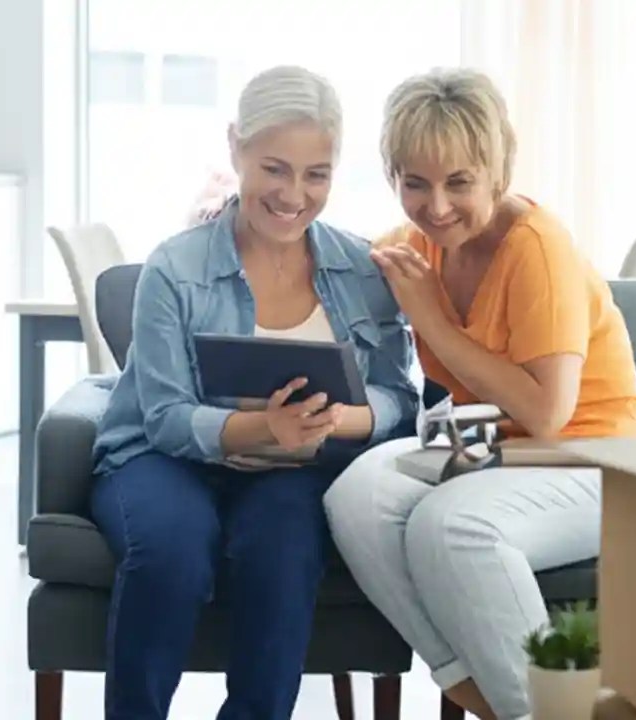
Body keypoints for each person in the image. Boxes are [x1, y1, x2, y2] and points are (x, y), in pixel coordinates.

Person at [322, 67, 636, 720]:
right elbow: (333, 259)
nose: (436, 206)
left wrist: (436, 323)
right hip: (506, 457)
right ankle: (483, 695)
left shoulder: (537, 249)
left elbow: (548, 414)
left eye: (459, 183)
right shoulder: (421, 246)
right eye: (414, 183)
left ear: (495, 172)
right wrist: (246, 223)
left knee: (455, 525)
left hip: (603, 460)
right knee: (356, 496)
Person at [89, 65, 419, 720]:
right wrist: (262, 429)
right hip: (163, 462)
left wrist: (341, 421)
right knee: (172, 553)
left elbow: (399, 399)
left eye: (316, 174)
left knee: (283, 553)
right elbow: (164, 418)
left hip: (296, 472)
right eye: (274, 167)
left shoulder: (362, 270)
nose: (294, 194)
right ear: (236, 147)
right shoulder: (174, 268)